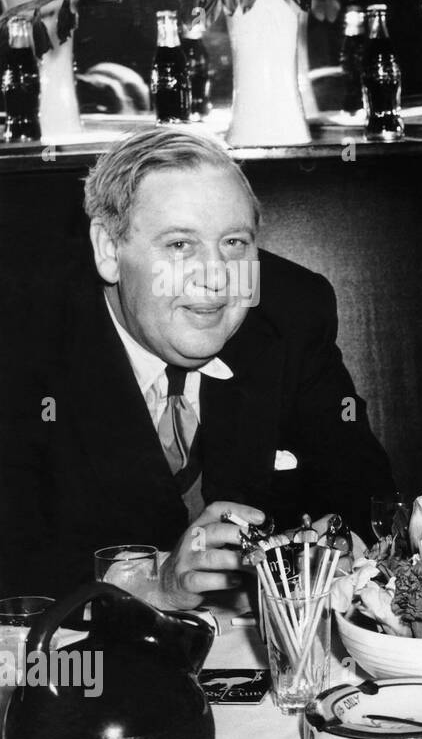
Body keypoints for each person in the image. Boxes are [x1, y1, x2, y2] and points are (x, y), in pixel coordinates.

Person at [0, 126, 395, 608]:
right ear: (109, 250)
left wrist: (325, 552)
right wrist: (153, 583)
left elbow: (365, 498)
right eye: (179, 245)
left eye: (233, 242)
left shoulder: (291, 311)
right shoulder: (23, 340)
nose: (216, 278)